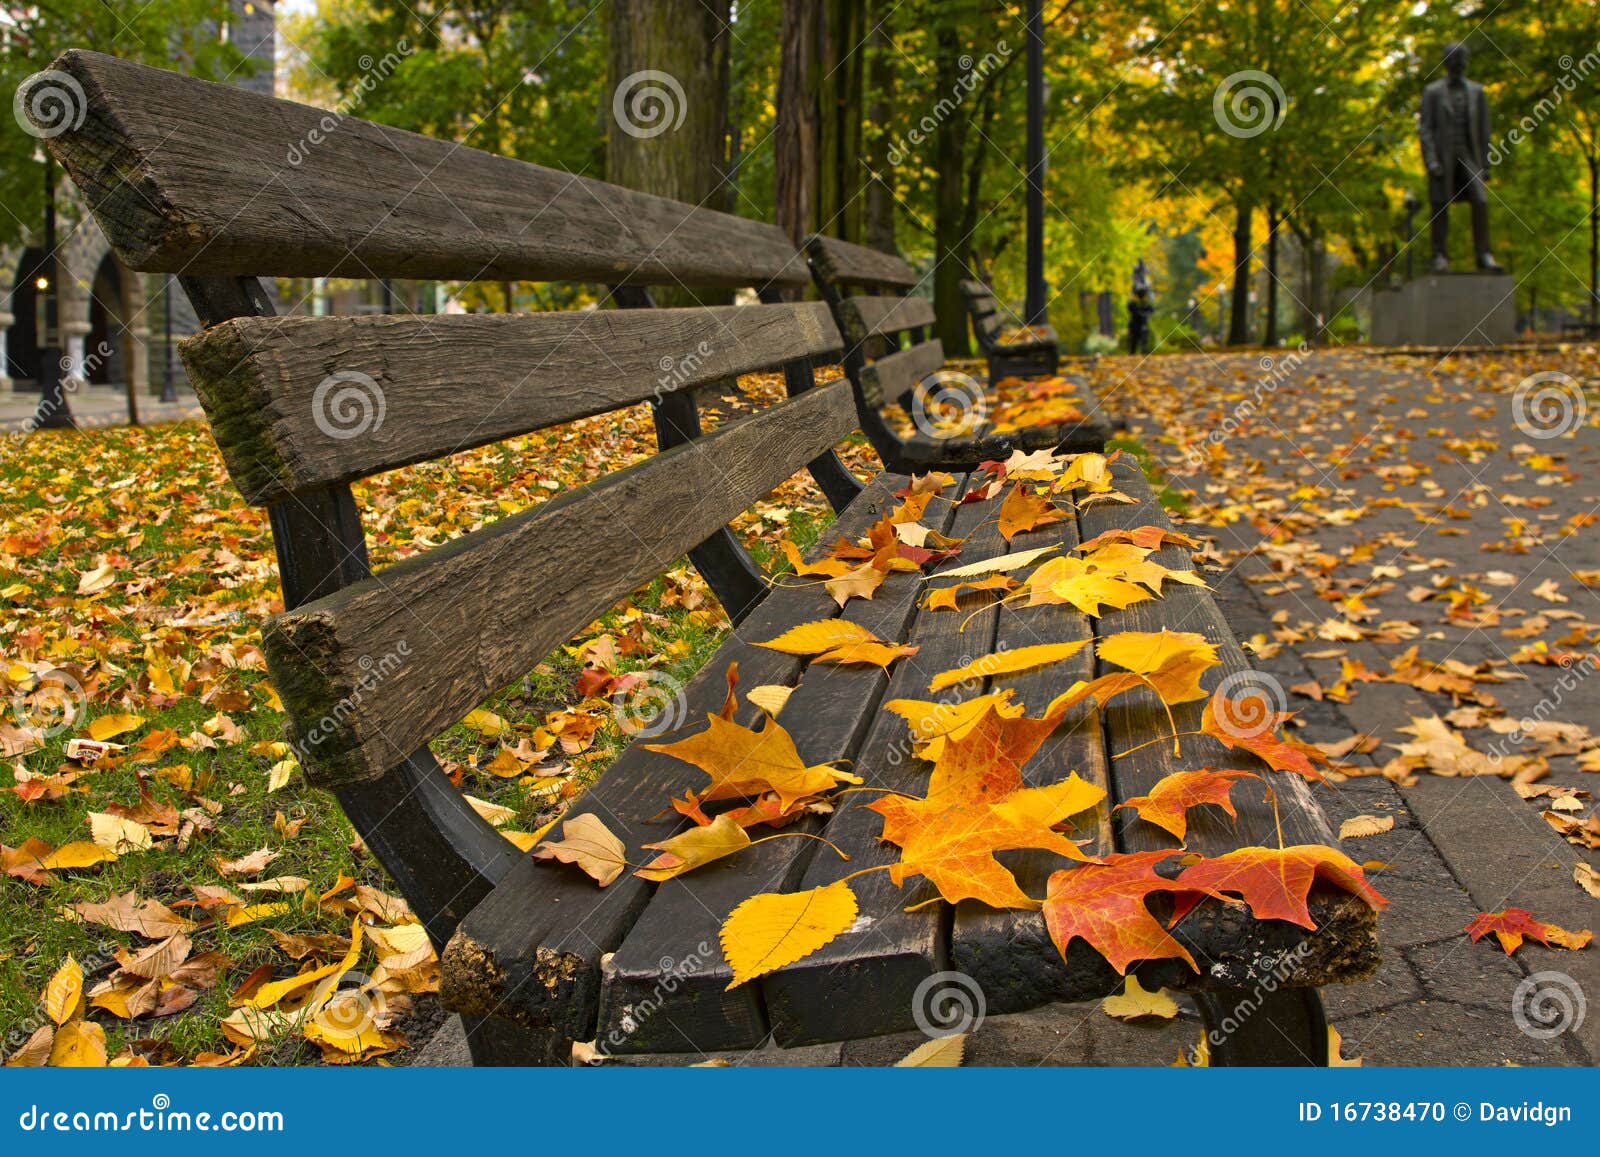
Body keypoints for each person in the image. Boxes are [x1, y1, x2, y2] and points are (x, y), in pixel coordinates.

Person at [1418, 43, 1501, 273]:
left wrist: (1485, 162)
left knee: (1480, 201)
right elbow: (1425, 129)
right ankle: (1439, 255)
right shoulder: (1432, 92)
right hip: (1443, 157)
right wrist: (1431, 161)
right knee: (1440, 205)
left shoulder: (1477, 92)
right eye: (1455, 59)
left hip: (1469, 154)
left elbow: (1484, 130)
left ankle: (1483, 254)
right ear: (1447, 62)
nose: (1460, 63)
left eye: (1462, 59)